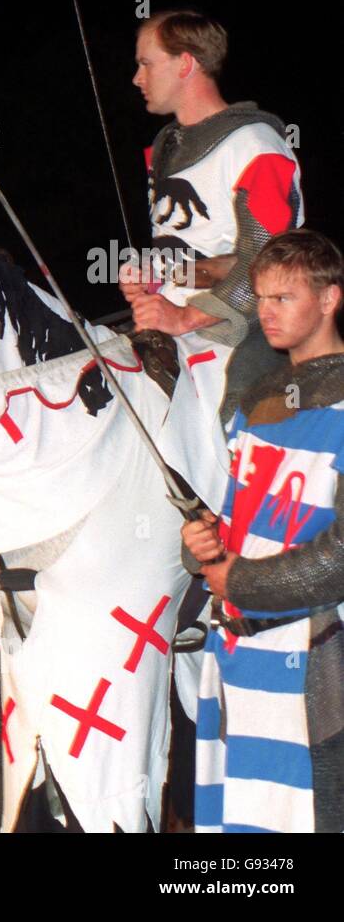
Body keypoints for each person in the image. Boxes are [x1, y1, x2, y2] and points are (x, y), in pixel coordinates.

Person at [180, 228, 344, 833]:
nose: (266, 315)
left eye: (284, 299)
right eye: (261, 298)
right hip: (239, 649)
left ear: (329, 299)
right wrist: (202, 541)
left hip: (315, 654)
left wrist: (240, 579)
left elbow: (343, 555)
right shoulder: (257, 399)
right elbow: (232, 515)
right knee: (242, 822)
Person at [119, 9, 303, 419]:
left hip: (245, 331)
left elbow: (268, 260)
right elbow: (200, 251)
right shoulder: (165, 147)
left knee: (244, 432)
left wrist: (186, 316)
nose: (137, 77)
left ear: (185, 62)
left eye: (146, 63)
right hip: (175, 326)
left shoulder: (254, 145)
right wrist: (156, 274)